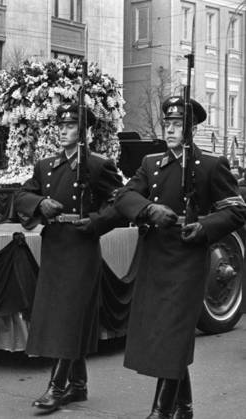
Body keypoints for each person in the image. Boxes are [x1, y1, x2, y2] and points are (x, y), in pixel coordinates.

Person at [114, 96, 246, 419]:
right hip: (156, 257)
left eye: (177, 125)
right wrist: (148, 209)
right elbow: (123, 195)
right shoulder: (151, 164)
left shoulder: (211, 166)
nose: (170, 130)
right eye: (168, 124)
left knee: (174, 333)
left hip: (188, 259)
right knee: (166, 333)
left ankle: (161, 411)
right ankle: (184, 407)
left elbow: (236, 210)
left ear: (190, 130)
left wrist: (202, 228)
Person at [15, 103, 123, 414]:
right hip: (55, 248)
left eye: (71, 125)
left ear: (84, 131)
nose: (62, 130)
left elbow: (120, 203)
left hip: (81, 246)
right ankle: (78, 385)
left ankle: (57, 387)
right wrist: (40, 203)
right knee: (60, 315)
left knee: (68, 316)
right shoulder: (46, 165)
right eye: (60, 125)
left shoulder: (98, 166)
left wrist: (96, 223)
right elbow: (21, 195)